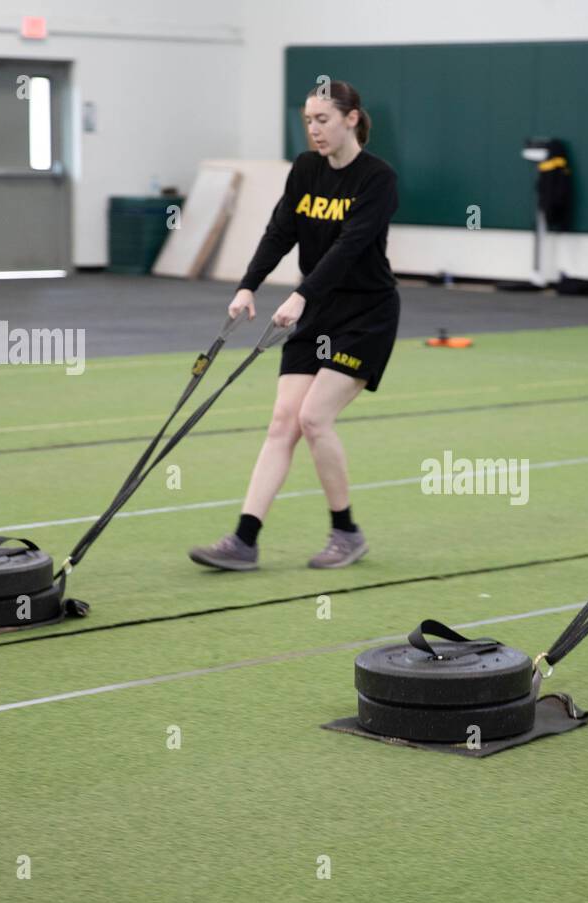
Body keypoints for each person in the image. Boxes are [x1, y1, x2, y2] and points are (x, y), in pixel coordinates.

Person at [190, 80, 400, 571]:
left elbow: (350, 247)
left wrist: (301, 296)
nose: (314, 130)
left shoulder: (378, 179)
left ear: (351, 118)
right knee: (284, 421)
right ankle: (244, 540)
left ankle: (346, 532)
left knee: (313, 418)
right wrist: (248, 285)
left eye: (323, 120)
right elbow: (281, 229)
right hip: (317, 309)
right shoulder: (306, 170)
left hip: (364, 315)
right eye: (308, 120)